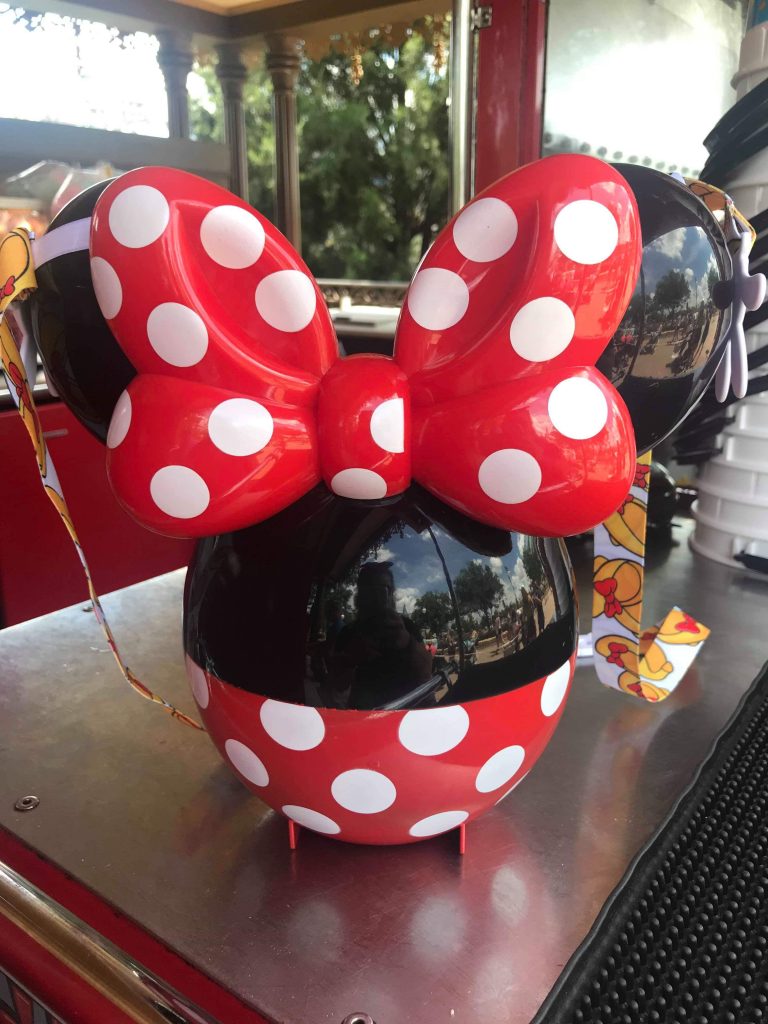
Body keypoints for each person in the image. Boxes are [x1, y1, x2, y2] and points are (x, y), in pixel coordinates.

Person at [328, 562, 432, 708]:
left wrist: (408, 642)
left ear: (391, 593)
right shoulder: (349, 632)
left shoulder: (405, 626)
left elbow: (426, 672)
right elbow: (338, 686)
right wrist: (350, 658)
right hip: (366, 713)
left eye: (387, 588)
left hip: (407, 709)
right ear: (361, 594)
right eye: (372, 589)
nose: (380, 596)